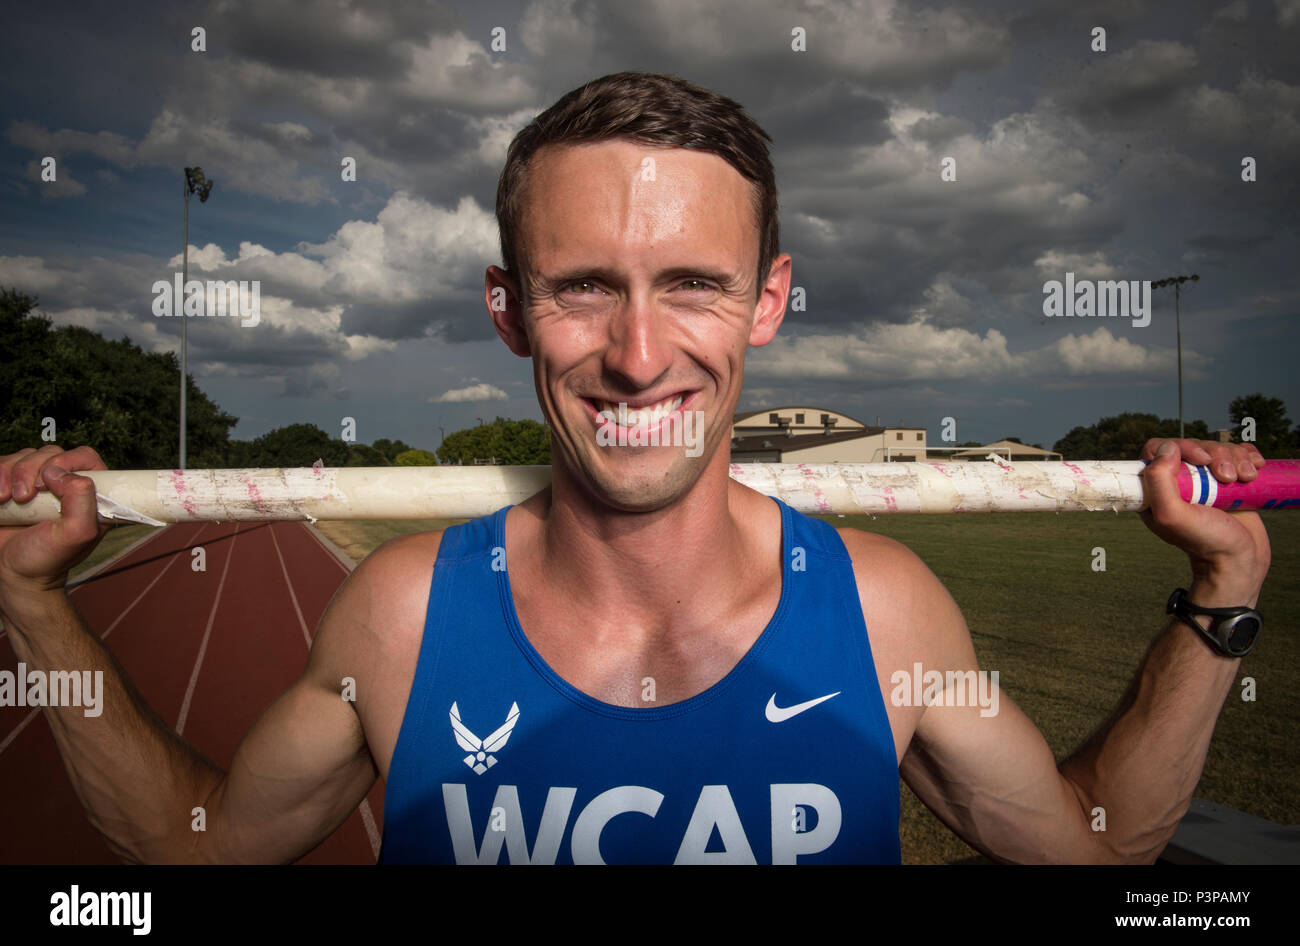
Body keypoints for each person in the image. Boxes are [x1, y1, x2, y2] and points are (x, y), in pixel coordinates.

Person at [0, 72, 1271, 864]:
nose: (638, 353)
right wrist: (33, 605)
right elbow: (184, 845)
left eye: (694, 285)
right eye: (583, 288)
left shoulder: (882, 613)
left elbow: (1101, 857)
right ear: (507, 309)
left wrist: (1220, 601)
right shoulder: (402, 614)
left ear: (768, 300)